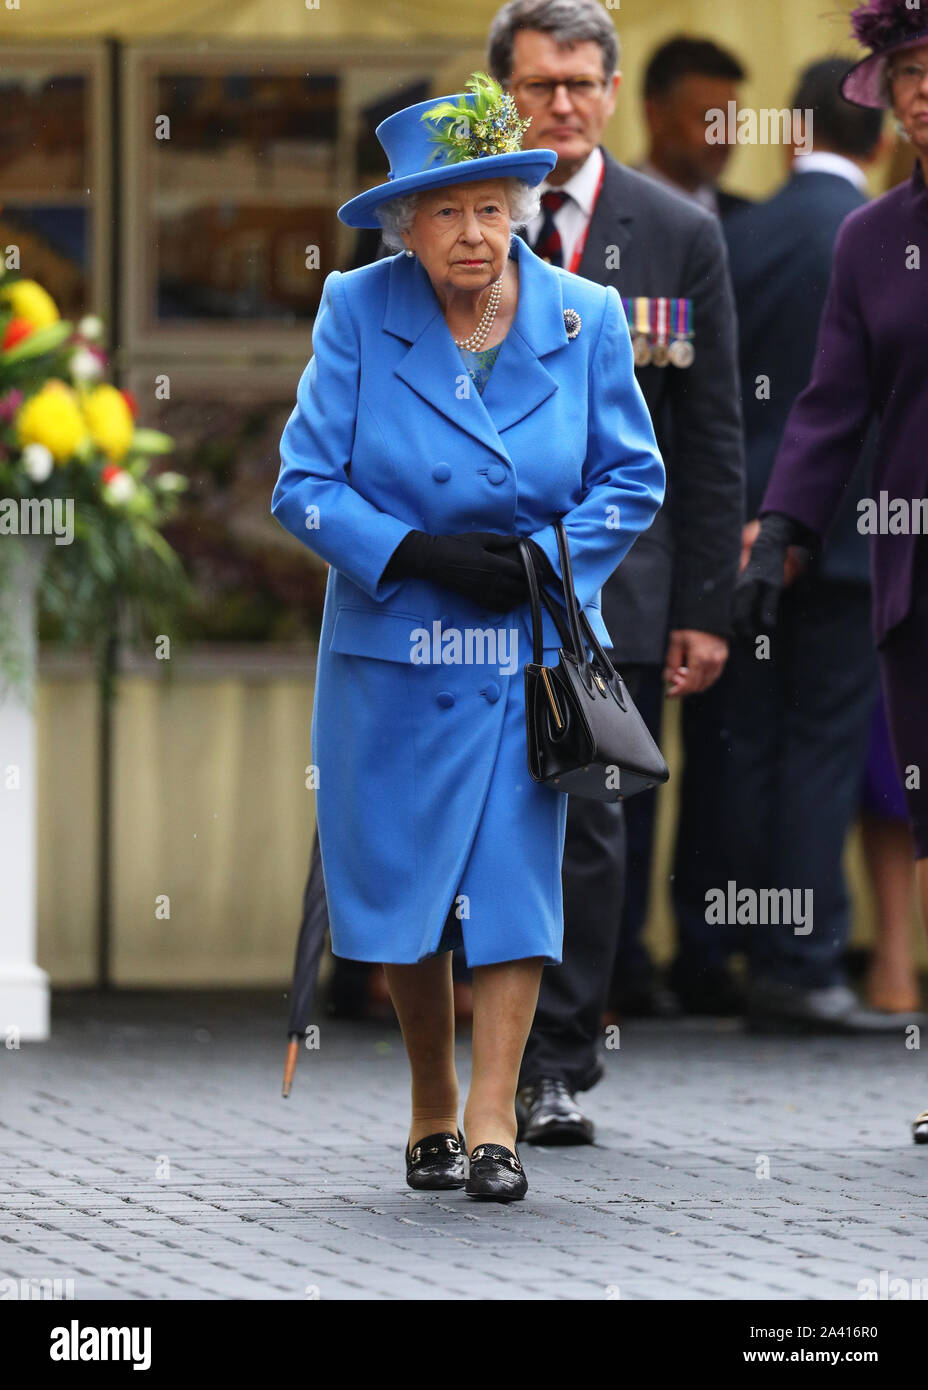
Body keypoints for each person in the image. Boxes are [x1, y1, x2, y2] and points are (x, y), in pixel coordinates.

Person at [271, 73, 665, 1198]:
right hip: (394, 649)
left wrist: (548, 561)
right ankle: (431, 1103)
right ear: (407, 223)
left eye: (492, 206)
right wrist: (418, 553)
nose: (474, 233)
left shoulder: (582, 316)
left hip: (523, 660)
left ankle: (494, 1118)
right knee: (400, 897)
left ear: (518, 211)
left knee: (509, 888)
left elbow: (632, 475)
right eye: (448, 211)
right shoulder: (357, 308)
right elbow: (301, 488)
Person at [484, 0, 744, 1144]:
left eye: (582, 84)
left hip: (618, 590)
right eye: (540, 86)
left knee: (592, 822)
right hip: (471, 577)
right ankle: (471, 1048)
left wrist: (703, 608)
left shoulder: (677, 230)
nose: (563, 106)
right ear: (503, 93)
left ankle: (558, 1059)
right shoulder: (443, 216)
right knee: (480, 810)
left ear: (610, 89)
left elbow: (711, 435)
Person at [735, 0, 928, 1139]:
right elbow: (829, 402)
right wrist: (784, 528)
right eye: (902, 72)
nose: (916, 90)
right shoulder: (867, 238)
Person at [624, 35, 753, 1020]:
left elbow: (714, 420)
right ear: (653, 110)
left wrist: (708, 586)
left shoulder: (744, 230)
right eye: (703, 115)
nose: (721, 138)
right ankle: (604, 977)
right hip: (575, 558)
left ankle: (685, 956)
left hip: (688, 556)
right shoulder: (541, 224)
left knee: (683, 770)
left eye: (732, 119)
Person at [639, 35, 751, 216]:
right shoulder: (603, 215)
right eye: (710, 119)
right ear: (656, 116)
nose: (725, 135)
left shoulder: (749, 220)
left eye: (731, 118)